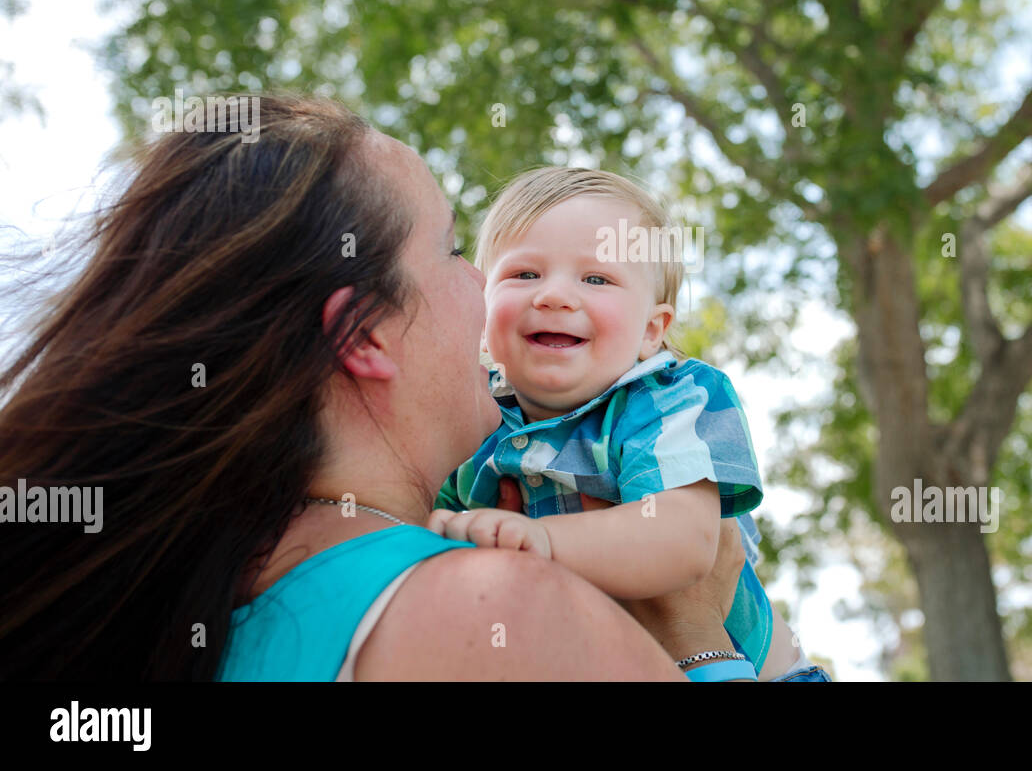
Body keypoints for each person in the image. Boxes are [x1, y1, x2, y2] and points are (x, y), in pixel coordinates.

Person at [0, 94, 748, 681]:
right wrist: (698, 646)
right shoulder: (490, 608)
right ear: (363, 336)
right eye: (455, 251)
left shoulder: (192, 608)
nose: (488, 285)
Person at [429, 167, 830, 682]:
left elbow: (681, 543)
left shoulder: (666, 398)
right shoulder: (474, 417)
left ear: (650, 331)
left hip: (740, 670)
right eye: (524, 274)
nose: (554, 295)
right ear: (481, 313)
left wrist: (538, 541)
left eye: (596, 279)